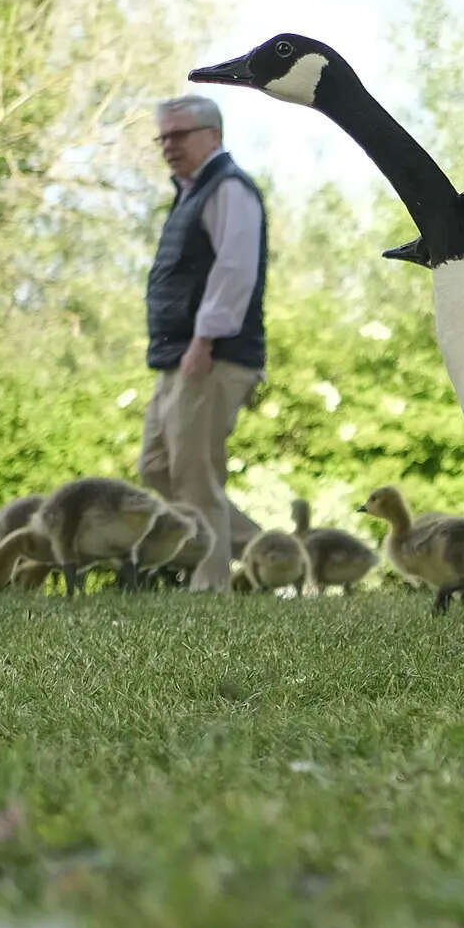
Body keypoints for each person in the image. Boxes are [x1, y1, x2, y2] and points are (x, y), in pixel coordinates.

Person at [137, 93, 267, 592]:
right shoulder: (191, 193)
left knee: (195, 474)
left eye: (178, 135)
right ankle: (277, 555)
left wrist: (205, 340)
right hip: (178, 356)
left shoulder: (229, 188)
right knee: (156, 466)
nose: (168, 146)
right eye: (163, 137)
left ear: (213, 136)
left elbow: (235, 270)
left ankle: (210, 588)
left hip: (210, 355)